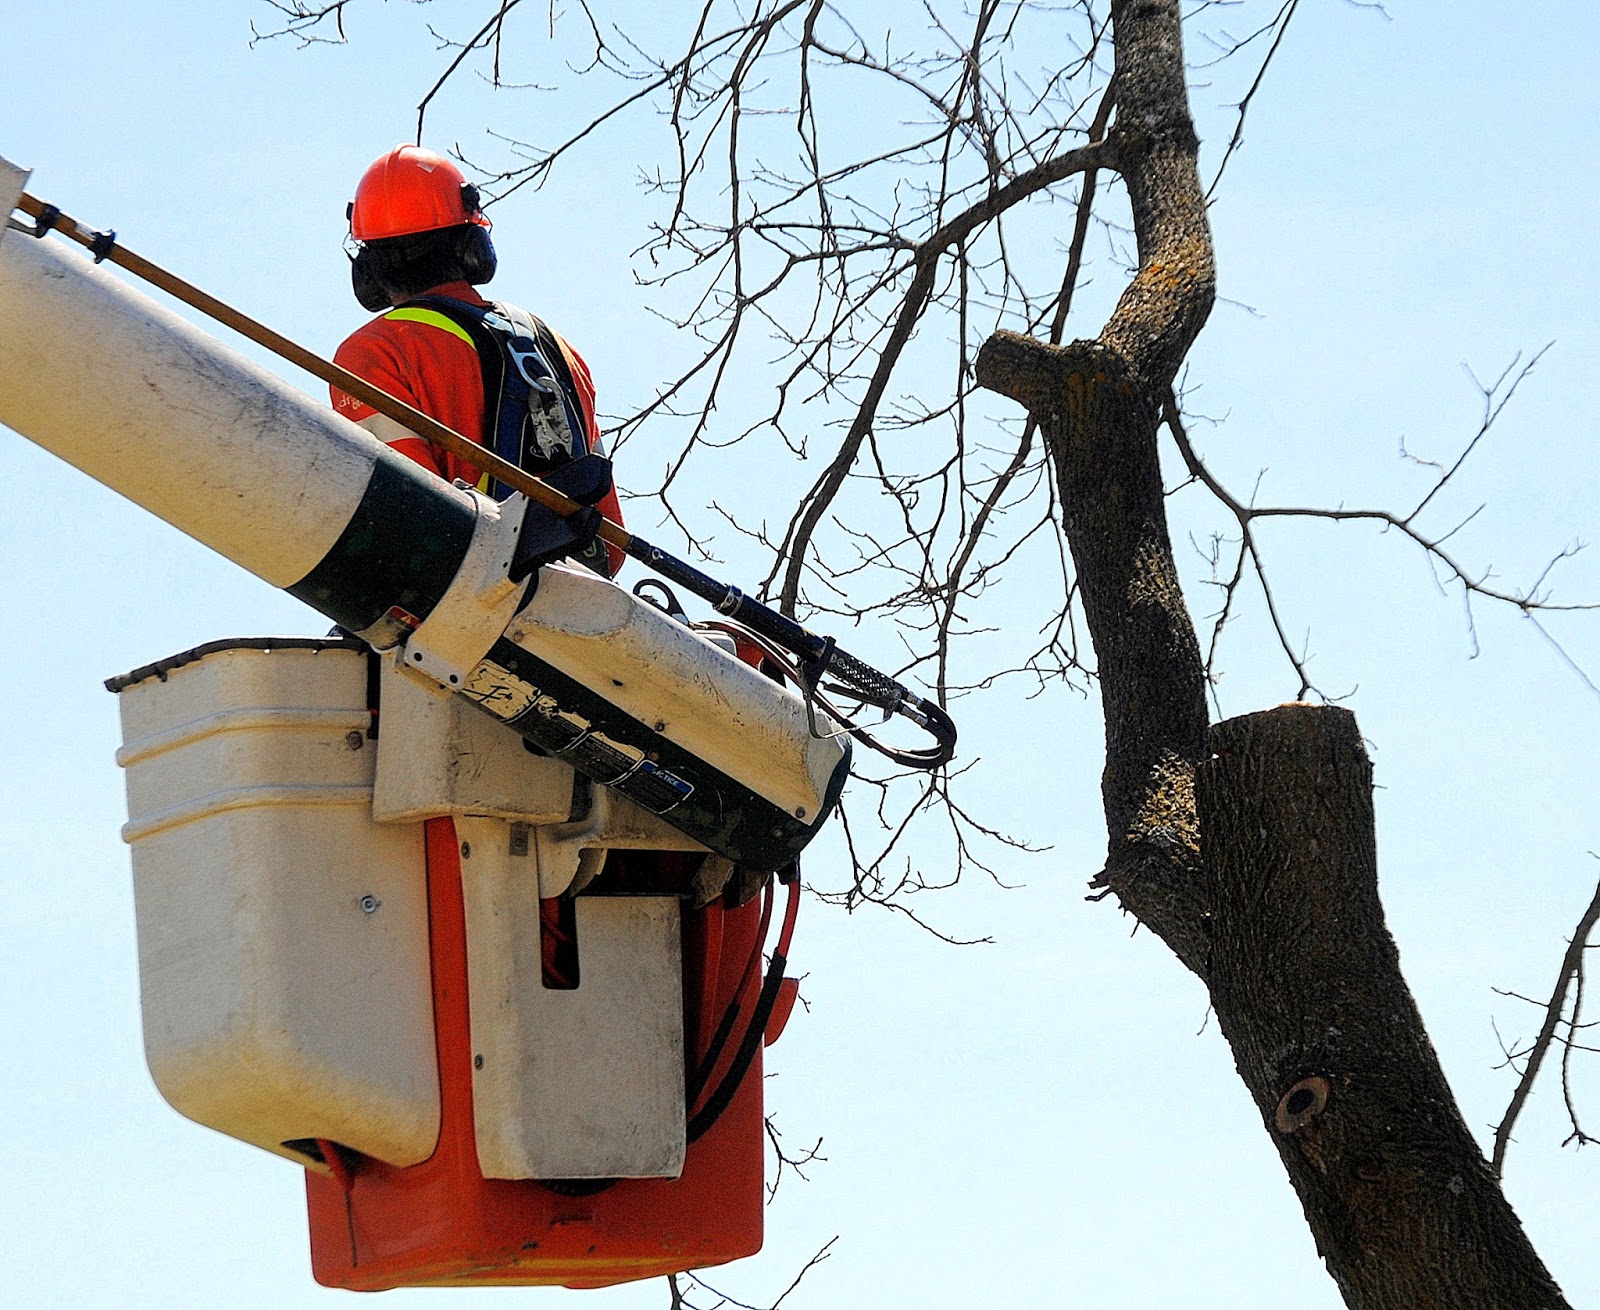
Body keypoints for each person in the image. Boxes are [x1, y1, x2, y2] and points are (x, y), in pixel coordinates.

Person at [331, 144, 623, 577]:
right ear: (472, 246)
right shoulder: (560, 349)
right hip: (578, 603)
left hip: (472, 605)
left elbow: (412, 528)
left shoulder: (374, 353)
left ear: (369, 269)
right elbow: (610, 545)